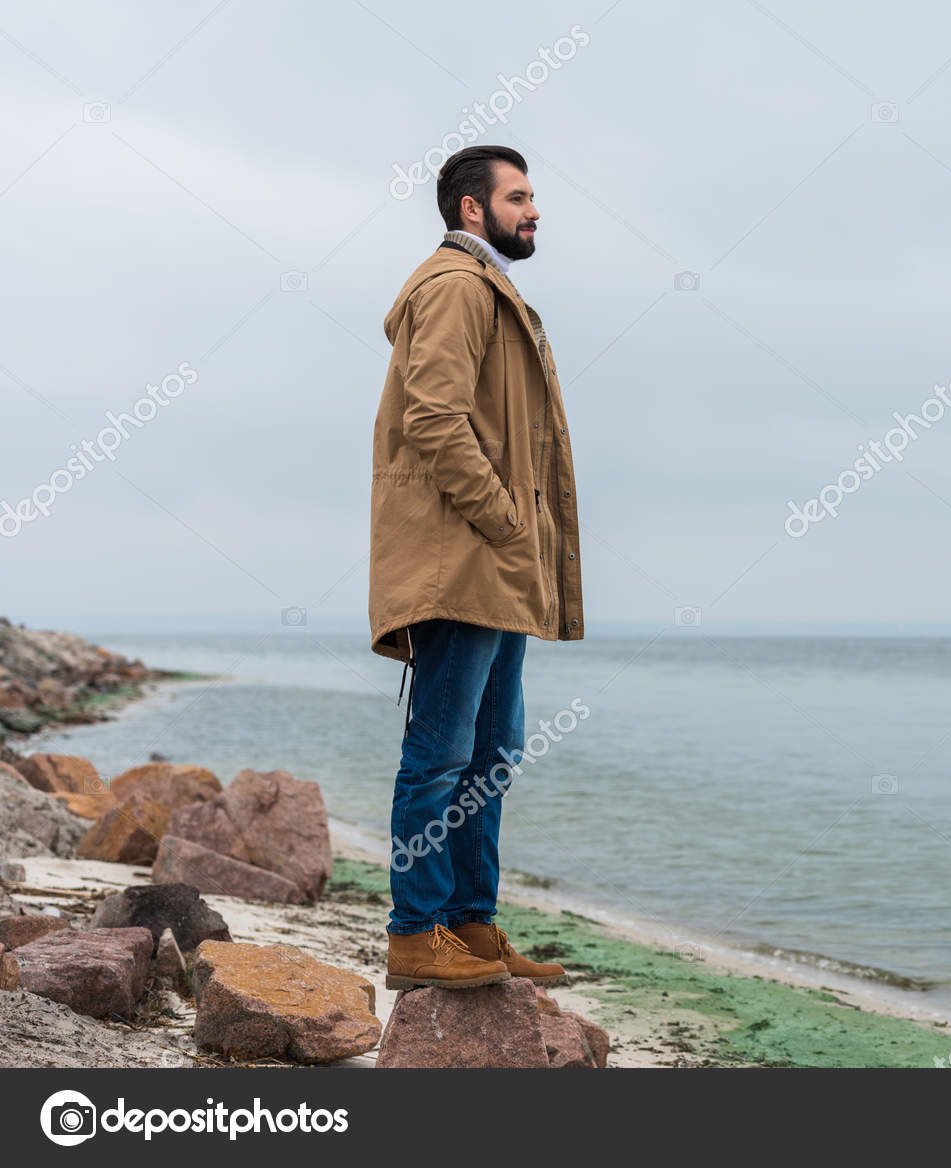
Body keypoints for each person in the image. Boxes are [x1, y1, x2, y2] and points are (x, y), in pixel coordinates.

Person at [368, 144, 584, 989]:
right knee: (442, 754)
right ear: (471, 209)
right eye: (520, 197)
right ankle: (414, 934)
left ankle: (471, 924)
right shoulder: (458, 287)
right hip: (462, 560)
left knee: (492, 751)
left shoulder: (493, 289)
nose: (535, 212)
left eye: (534, 198)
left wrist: (515, 540)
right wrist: (504, 519)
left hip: (496, 569)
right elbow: (434, 418)